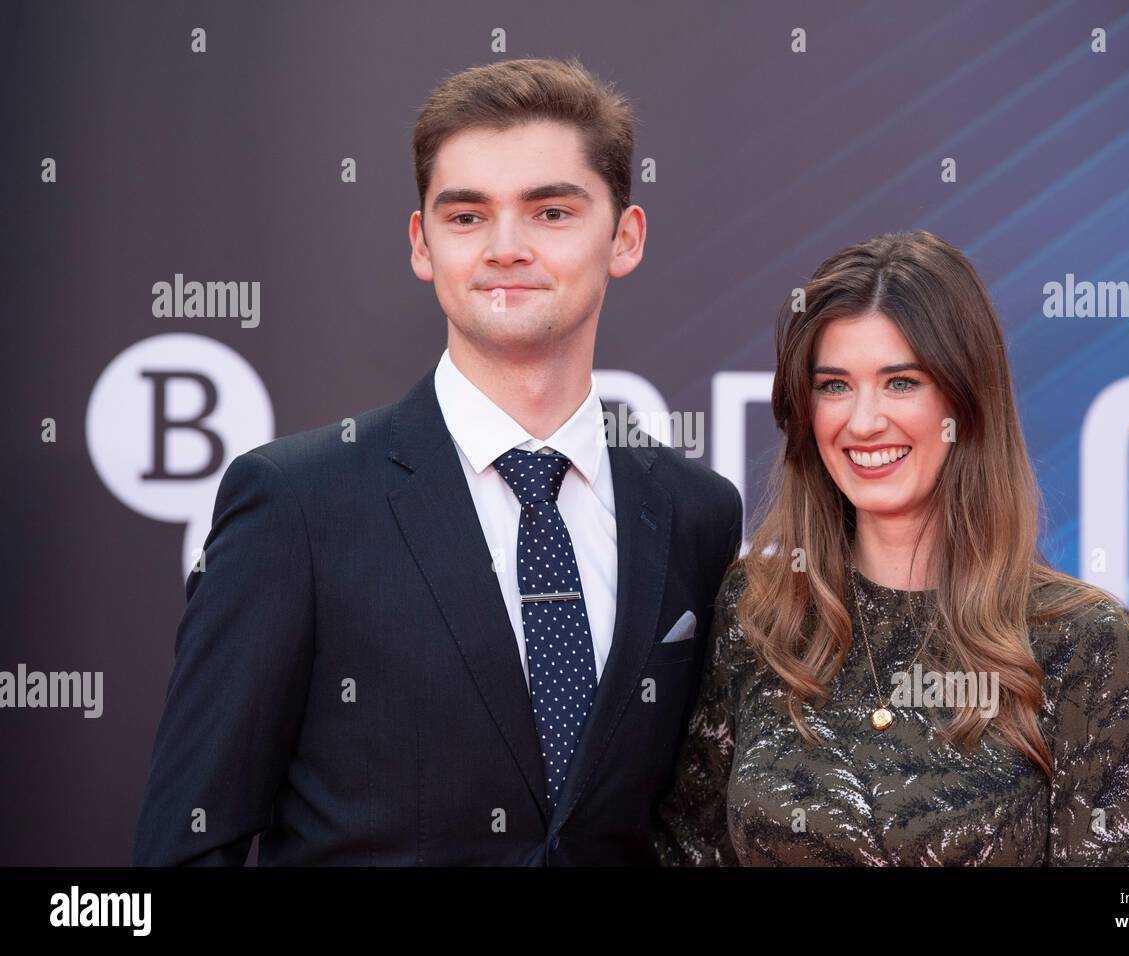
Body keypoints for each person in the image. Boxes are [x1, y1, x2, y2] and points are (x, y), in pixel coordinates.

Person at [133, 57, 742, 866]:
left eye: (551, 211)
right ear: (422, 244)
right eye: (466, 217)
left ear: (624, 237)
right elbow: (185, 846)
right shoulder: (297, 505)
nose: (505, 248)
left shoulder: (695, 511)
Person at [653, 230, 1129, 866]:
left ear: (965, 401)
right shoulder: (758, 613)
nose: (862, 421)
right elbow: (690, 854)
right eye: (834, 386)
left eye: (901, 383)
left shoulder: (1078, 638)